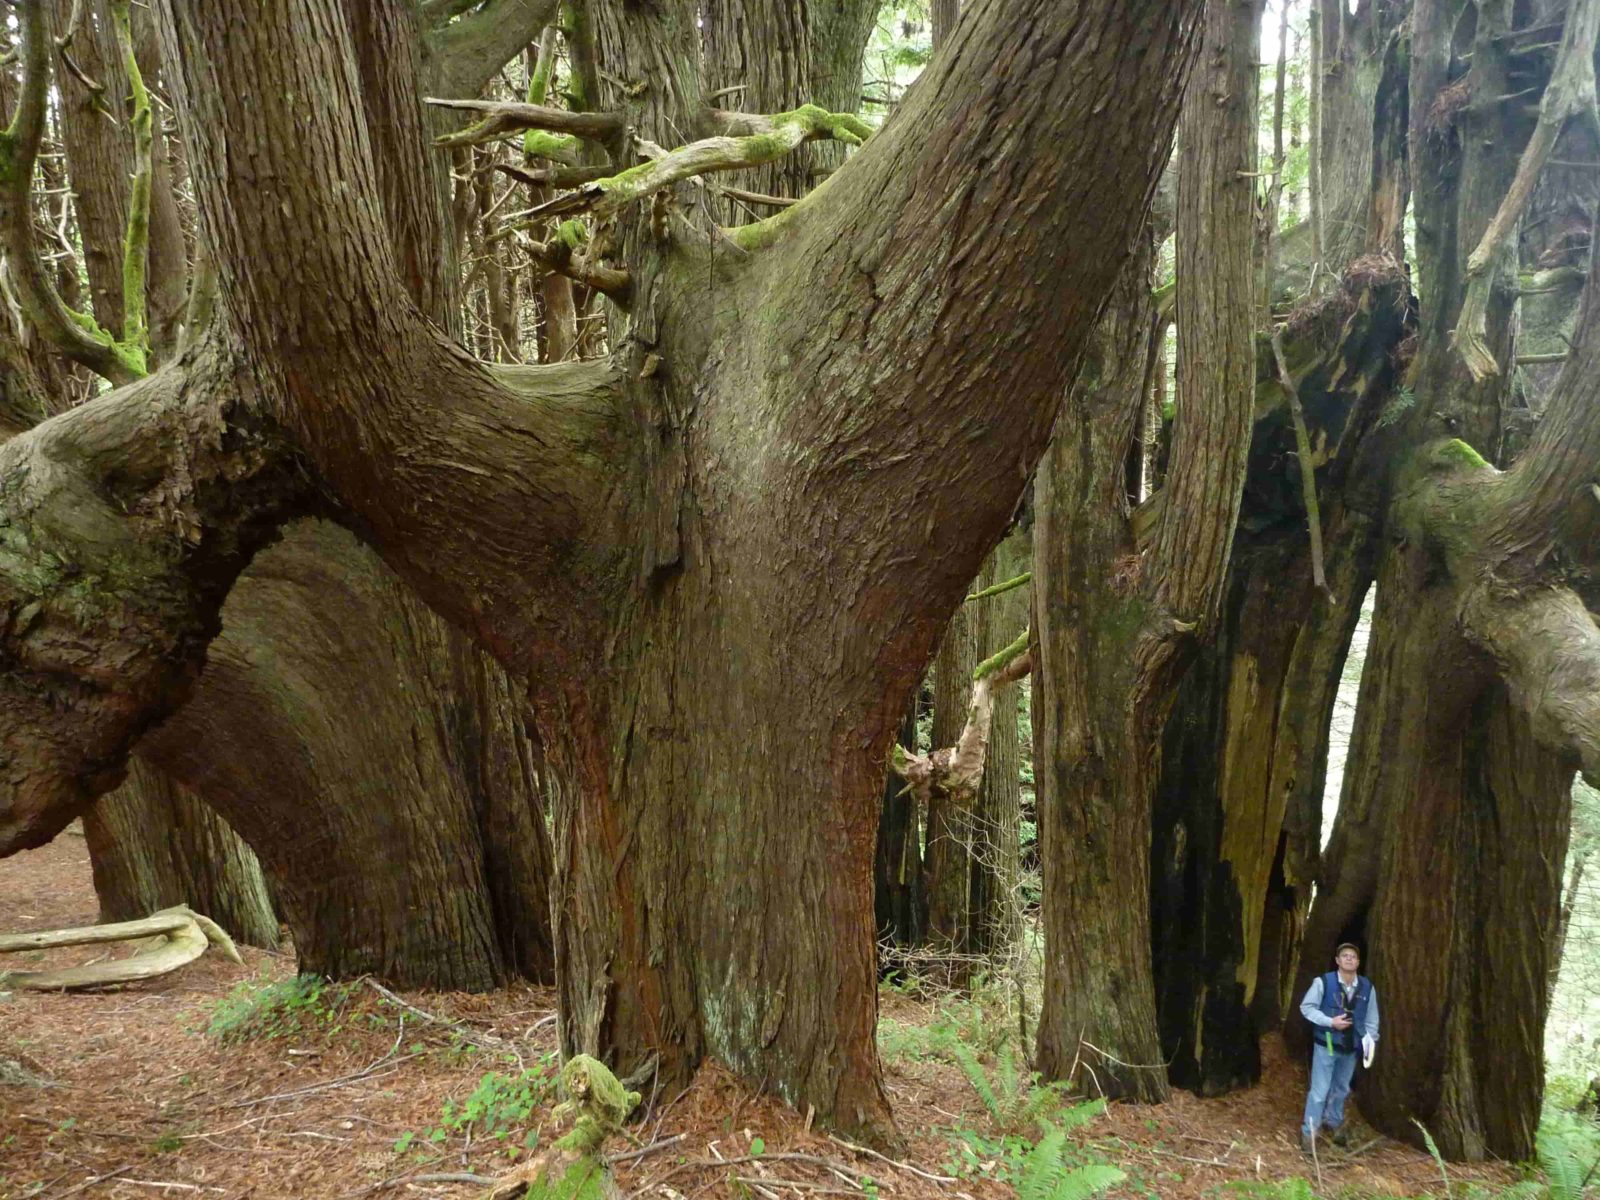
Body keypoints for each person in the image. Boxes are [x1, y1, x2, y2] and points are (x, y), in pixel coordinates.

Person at [1299, 942, 1379, 1154]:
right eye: (1345, 956)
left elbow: (1372, 1020)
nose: (1349, 959)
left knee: (1342, 1088)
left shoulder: (1367, 987)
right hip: (1326, 1045)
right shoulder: (1323, 982)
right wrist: (1329, 1021)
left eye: (1353, 956)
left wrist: (1370, 1042)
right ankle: (1309, 1133)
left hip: (1351, 1048)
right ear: (1337, 960)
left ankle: (1332, 1123)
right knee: (1319, 1091)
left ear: (1358, 962)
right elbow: (1306, 1008)